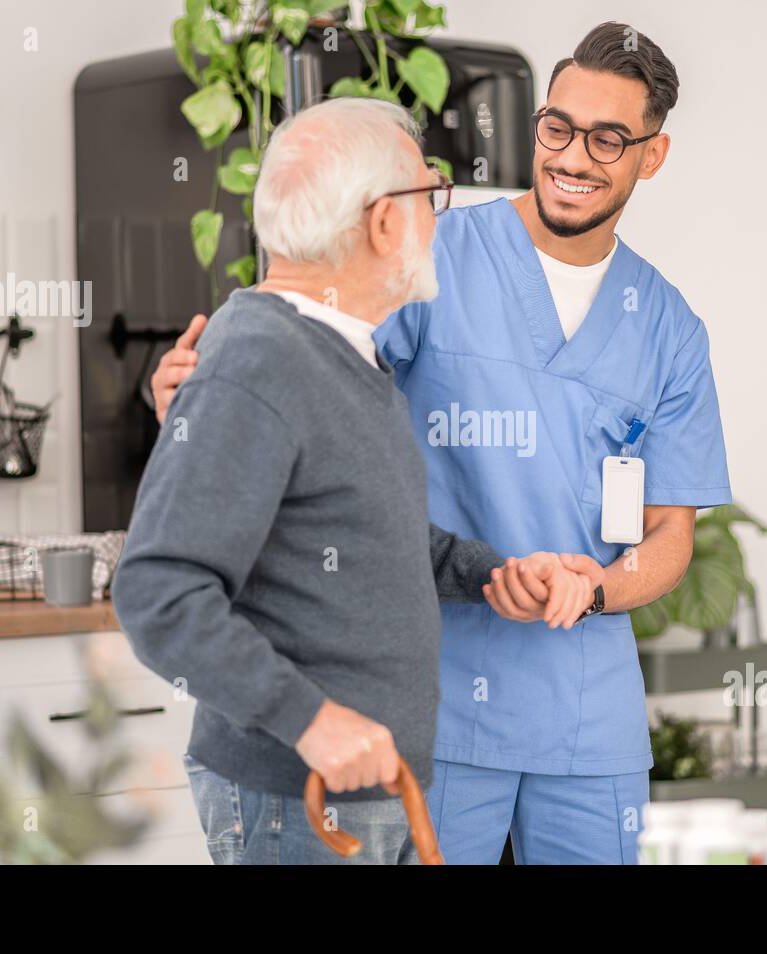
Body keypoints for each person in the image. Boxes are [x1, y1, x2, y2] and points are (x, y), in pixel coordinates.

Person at [151, 22, 731, 864]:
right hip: (442, 696)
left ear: (653, 153)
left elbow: (671, 535)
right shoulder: (430, 253)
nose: (572, 155)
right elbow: (302, 359)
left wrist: (599, 589)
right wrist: (196, 397)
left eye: (608, 138)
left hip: (586, 720)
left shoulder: (670, 329)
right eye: (557, 127)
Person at [112, 97, 602, 866]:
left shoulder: (342, 355)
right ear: (382, 223)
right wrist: (313, 722)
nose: (441, 218)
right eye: (430, 196)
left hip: (370, 799)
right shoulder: (259, 360)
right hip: (294, 804)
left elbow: (371, 539)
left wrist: (497, 573)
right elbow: (155, 593)